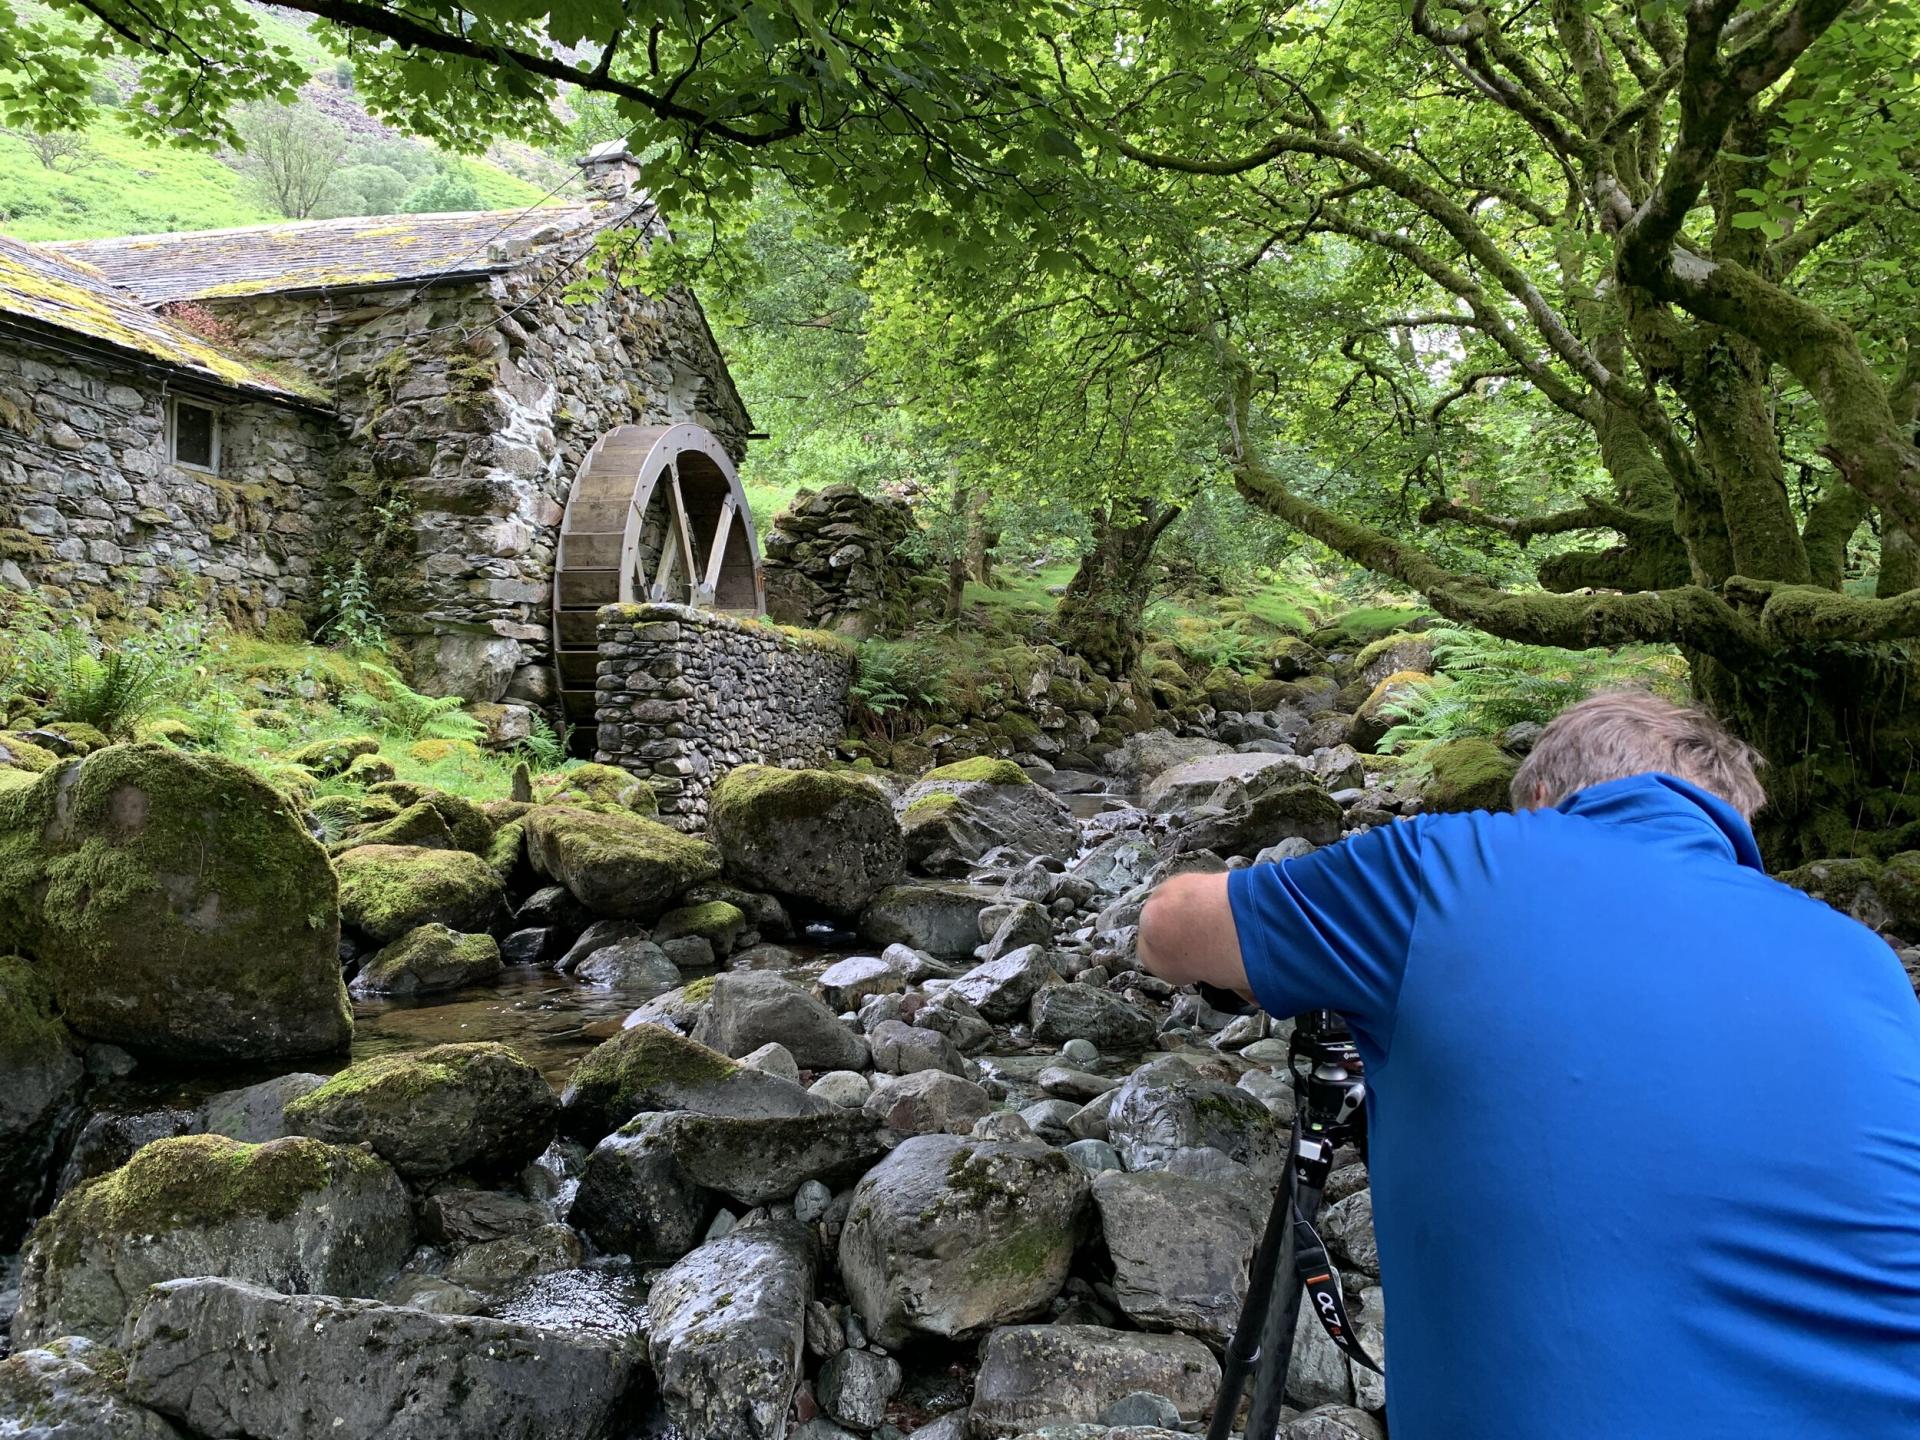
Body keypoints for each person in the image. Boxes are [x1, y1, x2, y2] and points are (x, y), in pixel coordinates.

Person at [1137, 692, 1920, 1439]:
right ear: (1730, 821)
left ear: (1542, 795)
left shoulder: (1449, 867)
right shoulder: (1866, 961)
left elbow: (1168, 928)